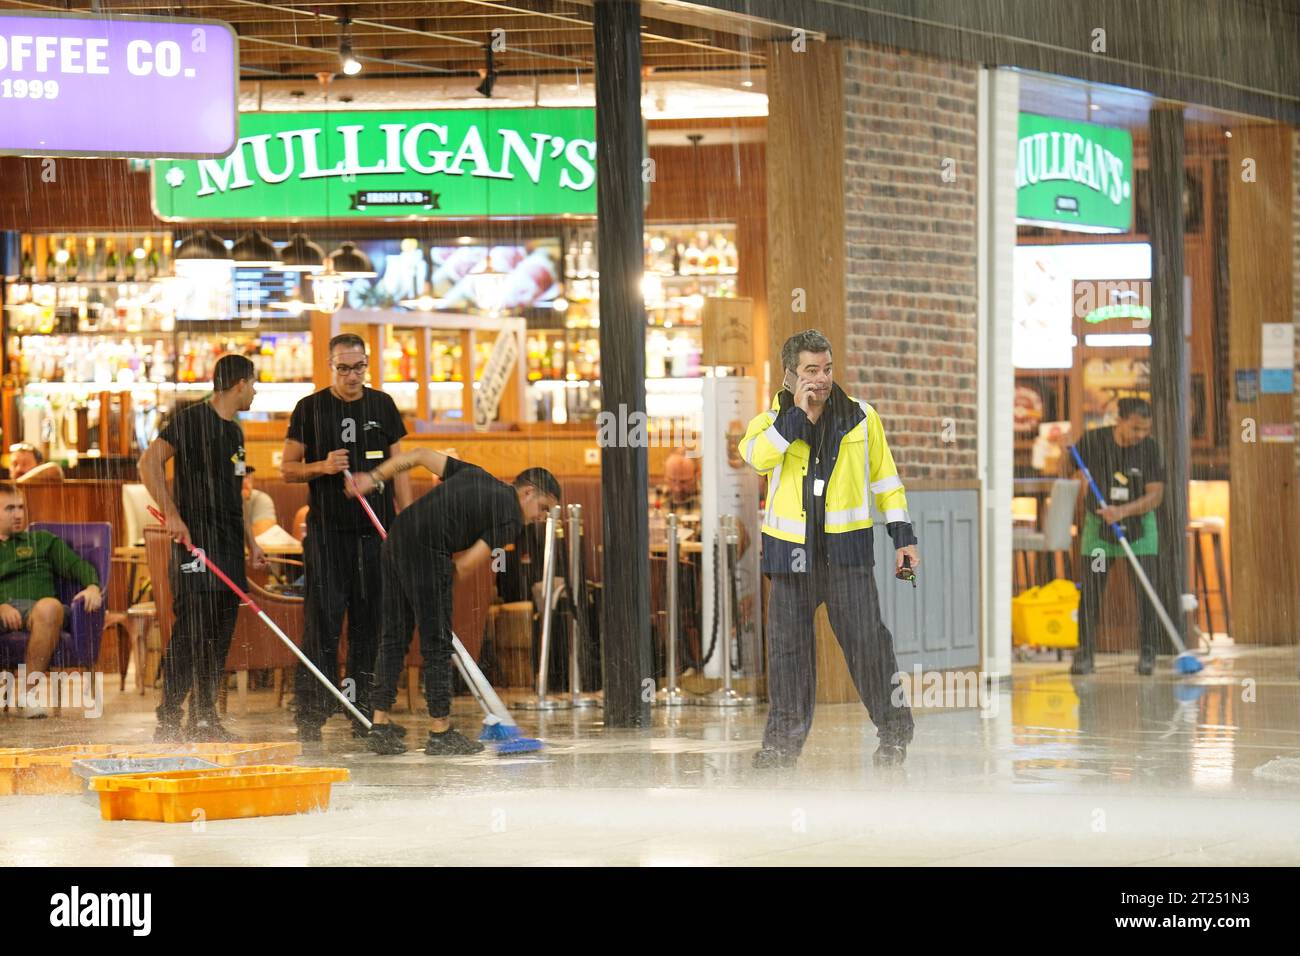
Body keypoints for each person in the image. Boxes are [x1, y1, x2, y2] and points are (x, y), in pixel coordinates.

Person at [739, 329, 919, 769]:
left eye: (826, 369)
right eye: (809, 371)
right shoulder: (770, 422)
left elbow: (886, 481)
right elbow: (758, 458)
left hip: (846, 557)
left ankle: (895, 735)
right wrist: (796, 417)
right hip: (790, 559)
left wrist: (904, 539)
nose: (820, 379)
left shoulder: (860, 417)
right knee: (788, 657)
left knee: (869, 647)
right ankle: (780, 750)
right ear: (790, 375)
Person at [347, 451, 560, 756]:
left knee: (393, 637)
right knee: (437, 643)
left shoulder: (476, 472)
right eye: (543, 508)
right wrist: (436, 593)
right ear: (528, 492)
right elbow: (466, 565)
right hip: (428, 550)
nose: (541, 517)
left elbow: (419, 455)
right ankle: (440, 731)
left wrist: (374, 477)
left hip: (398, 535)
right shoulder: (512, 517)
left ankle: (379, 725)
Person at [281, 333, 411, 742]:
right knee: (322, 623)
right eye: (343, 368)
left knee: (370, 623)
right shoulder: (310, 409)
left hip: (375, 533)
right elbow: (287, 468)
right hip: (327, 534)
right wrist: (322, 465)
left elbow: (401, 464)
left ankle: (364, 713)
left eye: (359, 367)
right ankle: (310, 715)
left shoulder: (382, 405)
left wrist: (403, 521)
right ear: (329, 365)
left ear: (367, 365)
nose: (352, 376)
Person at [139, 354, 268, 742]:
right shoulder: (190, 420)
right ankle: (169, 715)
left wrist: (252, 542)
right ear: (240, 384)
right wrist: (173, 516)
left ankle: (204, 715)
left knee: (219, 632)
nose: (256, 391)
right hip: (194, 542)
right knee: (192, 629)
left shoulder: (236, 434)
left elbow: (236, 495)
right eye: (254, 383)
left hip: (229, 545)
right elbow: (148, 464)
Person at [1061, 397, 1166, 676]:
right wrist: (1066, 449)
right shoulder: (1093, 441)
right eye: (1135, 429)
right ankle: (1084, 653)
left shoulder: (1150, 449)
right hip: (1099, 533)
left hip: (1140, 530)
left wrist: (1123, 512)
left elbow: (1155, 495)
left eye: (1145, 430)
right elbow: (1066, 470)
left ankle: (1148, 652)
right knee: (1092, 591)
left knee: (1146, 591)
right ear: (1119, 420)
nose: (1140, 435)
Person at [0, 482, 102, 717]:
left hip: (40, 608)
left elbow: (77, 566)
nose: (18, 514)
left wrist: (93, 586)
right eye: (9, 509)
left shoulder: (42, 541)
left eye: (21, 507)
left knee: (50, 607)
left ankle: (26, 696)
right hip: (3, 608)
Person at [651, 450, 701, 516]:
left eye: (684, 482)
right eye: (672, 480)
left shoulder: (709, 500)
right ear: (665, 474)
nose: (677, 488)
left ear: (697, 475)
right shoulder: (653, 497)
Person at [242, 467, 279, 538]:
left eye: (246, 476)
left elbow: (262, 539)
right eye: (236, 476)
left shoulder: (260, 499)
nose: (244, 482)